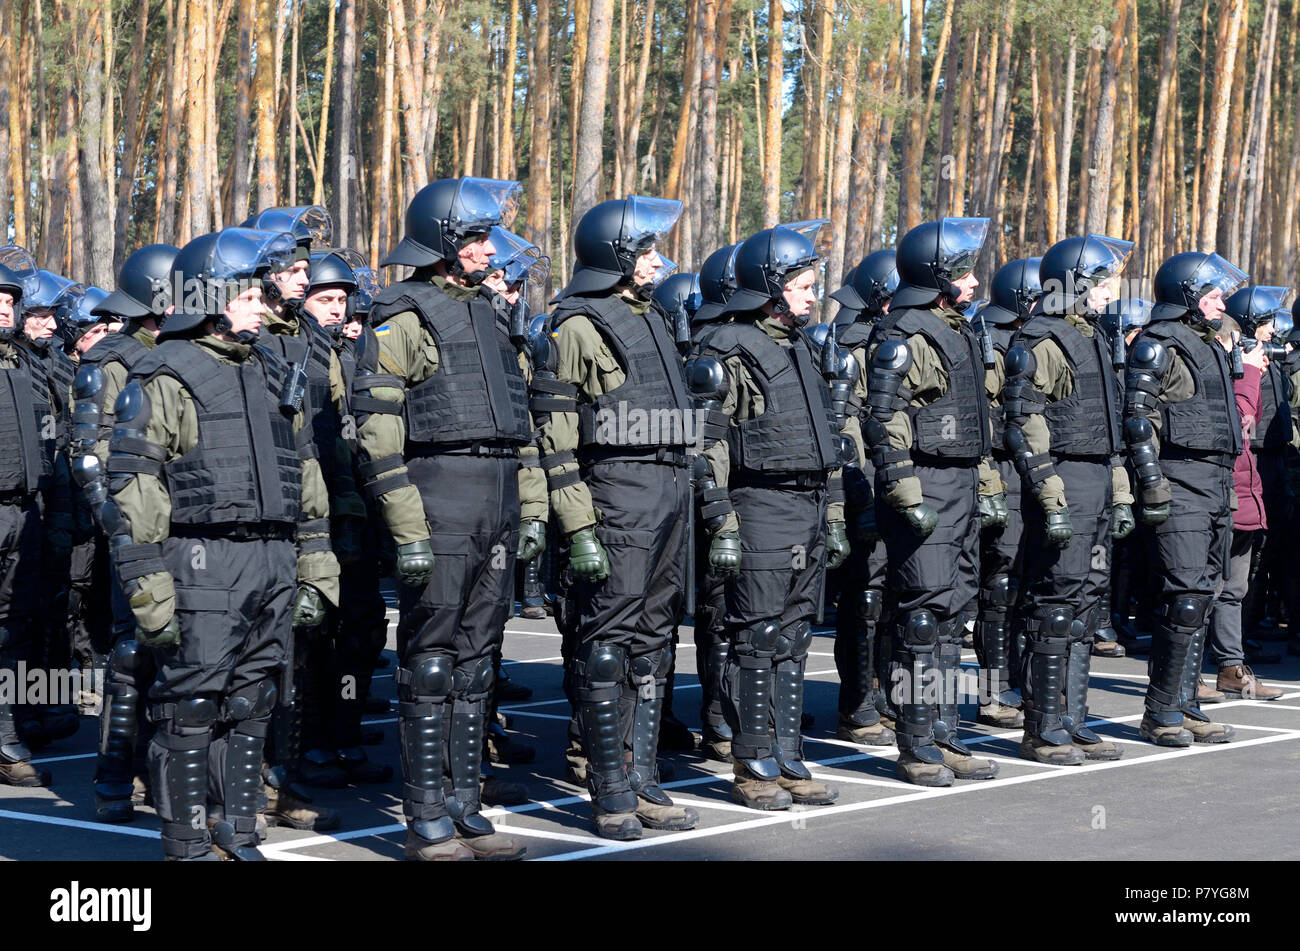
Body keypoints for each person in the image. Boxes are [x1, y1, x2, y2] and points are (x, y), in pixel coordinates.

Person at [104, 227, 340, 860]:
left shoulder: (271, 368)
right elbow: (133, 487)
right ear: (211, 295)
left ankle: (236, 830)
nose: (264, 304)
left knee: (254, 698)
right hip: (200, 558)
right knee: (191, 705)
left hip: (272, 559)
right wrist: (147, 582)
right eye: (250, 294)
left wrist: (315, 561)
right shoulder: (163, 373)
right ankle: (187, 844)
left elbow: (305, 470)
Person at [352, 177, 539, 860]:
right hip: (439, 493)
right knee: (430, 658)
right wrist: (407, 527)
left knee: (478, 657)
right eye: (479, 237)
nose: (492, 249)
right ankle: (426, 812)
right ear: (444, 243)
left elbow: (525, 425)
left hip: (496, 493)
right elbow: (375, 435)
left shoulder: (492, 316)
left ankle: (466, 802)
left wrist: (532, 505)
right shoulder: (401, 318)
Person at [535, 194, 699, 840]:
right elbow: (555, 435)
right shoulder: (575, 326)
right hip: (615, 493)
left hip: (666, 488)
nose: (659, 263)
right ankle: (608, 790)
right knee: (607, 644)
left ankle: (643, 776)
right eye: (649, 251)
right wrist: (577, 526)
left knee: (655, 644)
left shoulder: (654, 319)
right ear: (618, 255)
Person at [692, 225, 848, 810]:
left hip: (807, 506)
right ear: (770, 288)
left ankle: (788, 754)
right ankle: (752, 762)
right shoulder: (726, 348)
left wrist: (832, 512)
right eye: (803, 287)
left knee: (795, 636)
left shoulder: (803, 347)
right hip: (760, 506)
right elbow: (707, 446)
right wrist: (721, 522)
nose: (812, 297)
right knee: (754, 636)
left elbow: (828, 440)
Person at [863, 218, 1001, 787]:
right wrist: (905, 492)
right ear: (938, 275)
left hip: (961, 483)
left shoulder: (958, 328)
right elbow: (884, 419)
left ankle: (944, 733)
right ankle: (916, 744)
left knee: (951, 616)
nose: (973, 283)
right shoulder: (907, 333)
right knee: (921, 615)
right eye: (965, 273)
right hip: (926, 484)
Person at [1002, 234, 1133, 764]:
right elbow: (1024, 421)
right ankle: (1043, 726)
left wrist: (1120, 490)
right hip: (1066, 481)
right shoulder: (1044, 339)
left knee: (1083, 603)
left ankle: (1073, 718)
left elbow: (1112, 428)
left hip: (1097, 479)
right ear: (1075, 285)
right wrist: (1051, 495)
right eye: (1100, 283)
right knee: (1055, 604)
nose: (1108, 293)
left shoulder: (1093, 336)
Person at [71, 243, 179, 822]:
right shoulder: (111, 360)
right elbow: (89, 454)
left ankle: (164, 773)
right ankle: (115, 774)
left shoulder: (183, 353)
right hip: (135, 527)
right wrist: (120, 528)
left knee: (182, 654)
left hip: (186, 527)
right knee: (132, 653)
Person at [1124, 251, 1248, 746]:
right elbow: (1139, 419)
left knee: (1204, 594)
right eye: (1214, 296)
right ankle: (1160, 713)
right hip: (1180, 481)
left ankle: (1185, 704)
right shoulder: (1159, 344)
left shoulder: (1210, 345)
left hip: (1215, 484)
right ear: (1187, 295)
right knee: (1184, 596)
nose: (1221, 305)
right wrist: (1152, 481)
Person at [298, 248, 394, 786]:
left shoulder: (345, 354)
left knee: (362, 632)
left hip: (352, 513)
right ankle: (311, 741)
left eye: (343, 301)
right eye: (326, 300)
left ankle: (346, 728)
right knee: (315, 638)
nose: (338, 311)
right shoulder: (290, 352)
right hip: (314, 518)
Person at [826, 249, 899, 745]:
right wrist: (863, 495)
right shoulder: (851, 344)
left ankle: (888, 695)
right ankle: (857, 704)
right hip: (865, 485)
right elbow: (845, 429)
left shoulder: (890, 338)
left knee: (895, 598)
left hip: (897, 480)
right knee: (866, 599)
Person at [968, 257, 1042, 729]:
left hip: (1030, 472)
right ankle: (992, 693)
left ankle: (1017, 683)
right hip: (1000, 473)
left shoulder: (1028, 338)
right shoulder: (990, 342)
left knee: (1021, 588)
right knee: (998, 588)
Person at [1207, 296, 1285, 702]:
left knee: (1235, 588)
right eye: (1237, 345)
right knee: (1202, 590)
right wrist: (1250, 374)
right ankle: (1182, 677)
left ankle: (1230, 668)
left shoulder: (1236, 374)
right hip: (1217, 496)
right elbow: (1238, 425)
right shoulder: (1217, 377)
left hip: (1245, 496)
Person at [0, 259, 56, 787]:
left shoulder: (27, 362)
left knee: (15, 626)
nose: (5, 307)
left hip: (25, 510)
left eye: (11, 300)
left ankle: (6, 732)